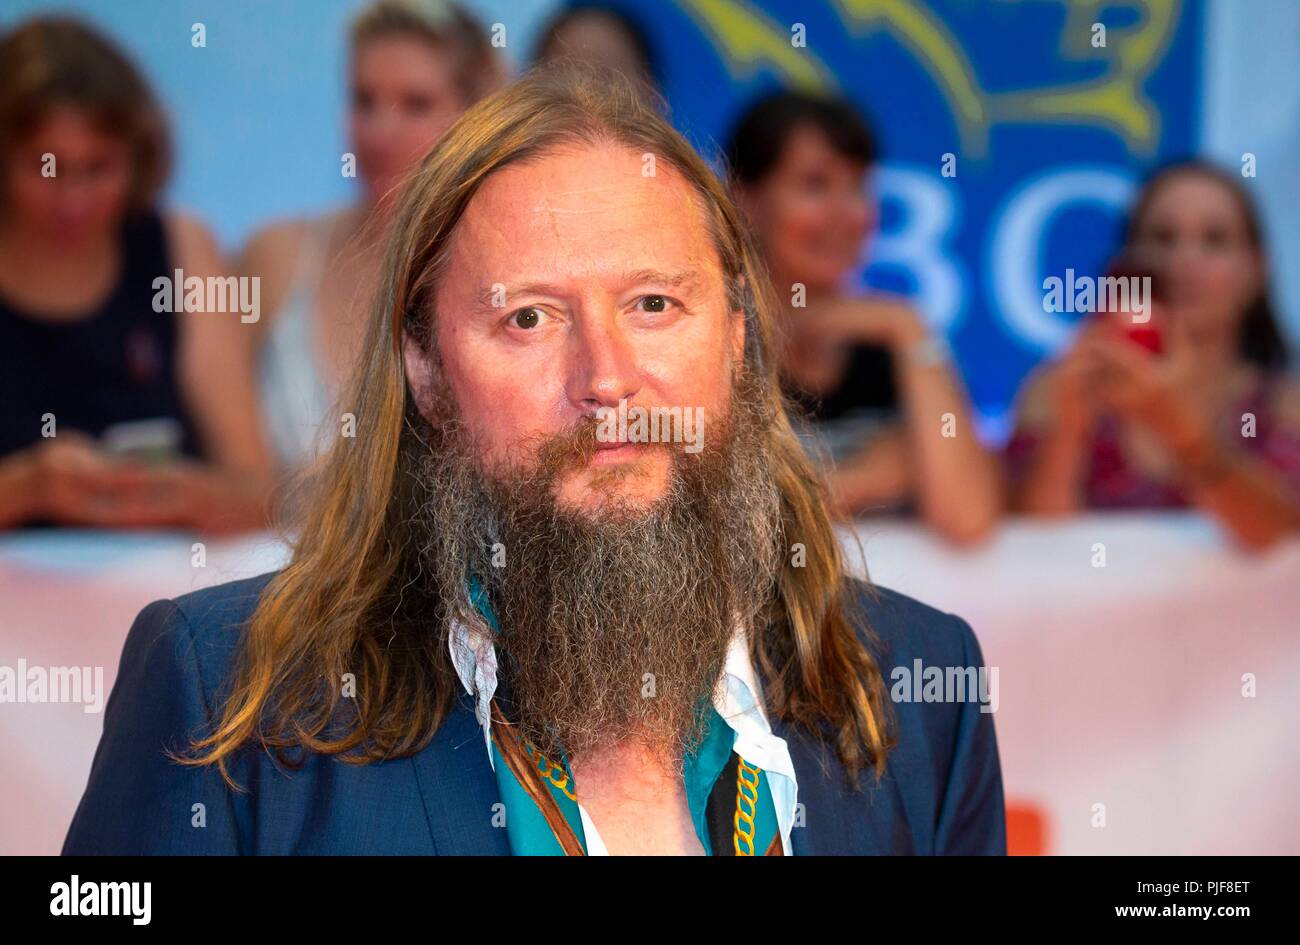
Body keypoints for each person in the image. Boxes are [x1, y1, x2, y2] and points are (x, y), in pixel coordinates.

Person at [63, 68, 1005, 856]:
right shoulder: (227, 694)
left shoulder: (921, 690)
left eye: (653, 305)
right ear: (426, 372)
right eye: (528, 318)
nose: (607, 381)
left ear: (737, 341)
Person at [0, 17, 272, 532]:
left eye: (98, 167)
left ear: (138, 159)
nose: (73, 201)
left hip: (150, 591)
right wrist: (28, 487)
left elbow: (259, 495)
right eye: (46, 167)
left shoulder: (183, 249)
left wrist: (187, 495)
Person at [725, 91, 1001, 543]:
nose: (845, 214)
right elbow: (723, 529)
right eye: (815, 185)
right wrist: (869, 478)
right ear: (745, 200)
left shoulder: (895, 340)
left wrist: (908, 327)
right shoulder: (713, 344)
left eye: (858, 187)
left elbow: (968, 518)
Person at [238, 0, 503, 471]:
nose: (379, 133)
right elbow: (235, 483)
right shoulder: (277, 257)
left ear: (476, 118)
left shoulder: (508, 275)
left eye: (416, 103)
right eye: (364, 100)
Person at [1007, 160, 1300, 551]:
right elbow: (1029, 550)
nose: (1184, 262)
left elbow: (1278, 539)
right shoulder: (1053, 389)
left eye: (1215, 240)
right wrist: (1071, 427)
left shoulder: (1286, 410)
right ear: (1127, 264)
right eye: (1162, 239)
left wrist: (1171, 420)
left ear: (1256, 269)